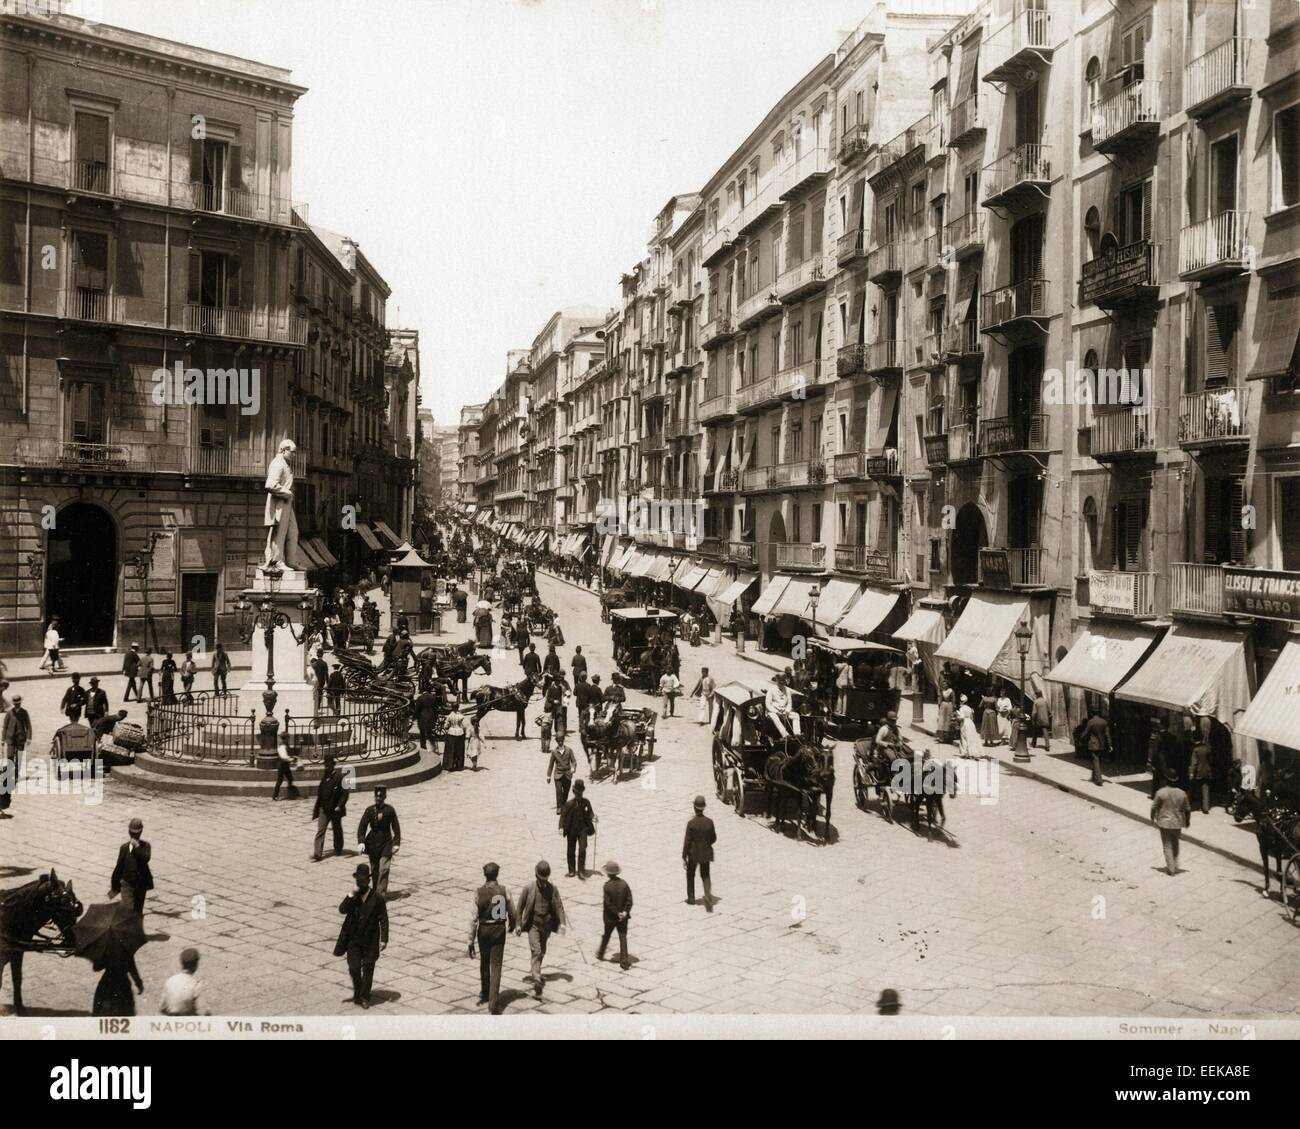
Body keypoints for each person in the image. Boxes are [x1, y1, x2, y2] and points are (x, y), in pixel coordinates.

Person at [335, 863, 388, 1009]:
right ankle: (358, 990)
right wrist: (351, 894)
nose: (361, 883)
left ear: (369, 881)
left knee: (368, 968)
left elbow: (383, 918)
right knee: (354, 967)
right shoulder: (353, 896)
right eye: (358, 881)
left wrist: (384, 939)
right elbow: (342, 910)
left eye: (363, 881)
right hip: (354, 939)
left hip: (370, 939)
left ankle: (365, 996)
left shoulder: (377, 898)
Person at [467, 861, 516, 1013]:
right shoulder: (504, 890)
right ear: (497, 875)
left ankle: (485, 991)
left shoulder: (478, 892)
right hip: (499, 930)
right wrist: (513, 924)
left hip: (484, 930)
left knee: (484, 961)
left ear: (485, 875)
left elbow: (473, 919)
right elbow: (512, 911)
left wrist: (470, 941)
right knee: (496, 965)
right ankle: (494, 1002)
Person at [514, 860, 568, 999]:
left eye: (546, 879)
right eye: (541, 879)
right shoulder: (528, 889)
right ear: (536, 876)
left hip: (547, 925)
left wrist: (562, 923)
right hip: (533, 925)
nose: (544, 882)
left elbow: (559, 906)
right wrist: (518, 925)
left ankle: (536, 970)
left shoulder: (552, 889)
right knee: (536, 950)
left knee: (542, 951)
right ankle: (537, 979)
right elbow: (519, 908)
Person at [1151, 767, 1192, 876]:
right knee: (1175, 843)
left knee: (1167, 845)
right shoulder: (1182, 793)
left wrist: (1152, 817)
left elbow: (1154, 807)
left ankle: (1171, 868)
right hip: (1177, 822)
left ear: (1166, 780)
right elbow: (1188, 809)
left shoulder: (1160, 792)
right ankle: (1175, 864)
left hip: (1164, 822)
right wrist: (1187, 821)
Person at [109, 817, 153, 915]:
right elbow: (119, 868)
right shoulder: (124, 848)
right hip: (127, 885)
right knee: (128, 912)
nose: (135, 835)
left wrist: (137, 847)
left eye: (136, 833)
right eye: (133, 833)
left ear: (140, 832)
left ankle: (135, 930)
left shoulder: (145, 846)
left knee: (138, 913)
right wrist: (114, 887)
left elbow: (146, 858)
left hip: (140, 885)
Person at [682, 796, 717, 909]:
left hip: (694, 854)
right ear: (703, 808)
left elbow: (687, 842)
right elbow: (714, 838)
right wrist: (707, 844)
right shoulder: (710, 822)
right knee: (705, 875)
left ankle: (691, 898)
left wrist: (684, 856)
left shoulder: (691, 823)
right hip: (706, 853)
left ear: (694, 808)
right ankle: (707, 895)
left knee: (690, 874)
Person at [312, 754, 349, 861]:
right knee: (321, 830)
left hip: (335, 810)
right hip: (324, 809)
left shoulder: (340, 778)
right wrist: (318, 808)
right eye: (325, 766)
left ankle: (338, 848)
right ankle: (317, 853)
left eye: (328, 765)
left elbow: (345, 794)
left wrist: (339, 806)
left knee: (337, 829)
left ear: (333, 765)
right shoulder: (324, 778)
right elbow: (321, 794)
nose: (326, 767)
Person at [597, 861, 632, 971]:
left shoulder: (607, 886)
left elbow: (608, 904)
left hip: (610, 918)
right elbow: (629, 900)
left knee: (606, 935)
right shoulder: (624, 884)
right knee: (623, 937)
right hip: (623, 918)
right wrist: (624, 912)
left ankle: (601, 953)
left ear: (608, 874)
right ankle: (624, 961)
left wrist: (617, 913)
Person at [558, 779, 595, 878]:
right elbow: (563, 816)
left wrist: (594, 817)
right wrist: (561, 827)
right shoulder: (569, 804)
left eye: (581, 793)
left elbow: (590, 813)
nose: (579, 795)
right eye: (577, 793)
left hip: (583, 829)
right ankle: (572, 870)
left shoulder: (586, 802)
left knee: (582, 849)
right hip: (571, 830)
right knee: (571, 850)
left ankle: (581, 870)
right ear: (574, 793)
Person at [1, 694, 31, 816]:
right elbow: (5, 727)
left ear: (20, 703)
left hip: (20, 738)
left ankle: (16, 776)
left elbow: (28, 725)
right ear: (13, 703)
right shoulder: (9, 713)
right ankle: (9, 776)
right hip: (10, 739)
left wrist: (29, 737)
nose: (17, 704)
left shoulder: (24, 712)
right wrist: (2, 740)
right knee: (9, 758)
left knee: (18, 758)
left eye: (18, 703)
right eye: (15, 703)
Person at [159, 948, 210, 1016]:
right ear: (196, 965)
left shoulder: (170, 980)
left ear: (181, 963)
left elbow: (162, 1008)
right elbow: (203, 1013)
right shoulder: (195, 985)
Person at [92, 953, 143, 1017]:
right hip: (123, 984)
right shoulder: (125, 950)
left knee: (104, 1011)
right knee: (125, 1012)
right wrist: (139, 983)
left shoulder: (105, 950)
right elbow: (132, 968)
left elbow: (96, 968)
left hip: (107, 983)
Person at [765, 673, 801, 740]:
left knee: (796, 715)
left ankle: (797, 734)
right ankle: (785, 735)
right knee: (775, 717)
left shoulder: (787, 690)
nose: (782, 683)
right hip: (773, 712)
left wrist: (787, 710)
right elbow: (768, 704)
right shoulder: (771, 689)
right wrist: (777, 712)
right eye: (780, 682)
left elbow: (789, 703)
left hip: (784, 711)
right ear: (777, 681)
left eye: (783, 682)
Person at [548, 735, 578, 815]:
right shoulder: (554, 752)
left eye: (561, 740)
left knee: (566, 791)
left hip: (567, 774)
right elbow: (551, 765)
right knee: (558, 791)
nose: (560, 742)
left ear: (563, 740)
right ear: (557, 741)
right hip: (558, 774)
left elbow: (574, 761)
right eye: (558, 741)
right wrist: (548, 776)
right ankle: (559, 807)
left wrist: (573, 768)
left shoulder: (569, 750)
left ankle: (563, 805)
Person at [1080, 708, 1110, 787]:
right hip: (1101, 745)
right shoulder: (1104, 722)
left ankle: (1099, 780)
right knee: (1096, 760)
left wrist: (1081, 738)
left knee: (1095, 760)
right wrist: (1110, 745)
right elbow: (1107, 735)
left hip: (1093, 744)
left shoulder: (1091, 721)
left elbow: (1086, 732)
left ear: (1092, 713)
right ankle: (1094, 776)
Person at [1189, 726, 1213, 815]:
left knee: (1193, 787)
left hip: (1198, 771)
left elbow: (1194, 763)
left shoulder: (1195, 750)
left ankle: (1190, 803)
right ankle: (1206, 807)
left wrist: (1191, 773)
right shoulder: (1207, 748)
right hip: (1207, 771)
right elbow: (1211, 760)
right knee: (1205, 788)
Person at [414, 686, 441, 752]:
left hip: (422, 718)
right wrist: (435, 718)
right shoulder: (433, 697)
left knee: (422, 733)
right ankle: (434, 746)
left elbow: (417, 710)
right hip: (431, 717)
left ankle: (423, 747)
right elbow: (436, 710)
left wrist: (415, 717)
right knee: (430, 732)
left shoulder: (420, 698)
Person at [444, 696, 468, 772]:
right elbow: (464, 726)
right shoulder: (461, 716)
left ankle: (450, 765)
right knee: (459, 750)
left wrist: (448, 728)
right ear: (457, 708)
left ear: (452, 708)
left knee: (451, 750)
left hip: (451, 733)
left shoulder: (449, 716)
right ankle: (459, 765)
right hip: (459, 733)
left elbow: (446, 726)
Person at [957, 695, 980, 759]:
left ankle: (965, 752)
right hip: (970, 723)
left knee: (964, 737)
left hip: (964, 723)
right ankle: (972, 752)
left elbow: (961, 717)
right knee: (971, 737)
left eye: (960, 701)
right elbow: (972, 717)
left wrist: (957, 717)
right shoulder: (969, 708)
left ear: (962, 702)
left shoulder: (961, 708)